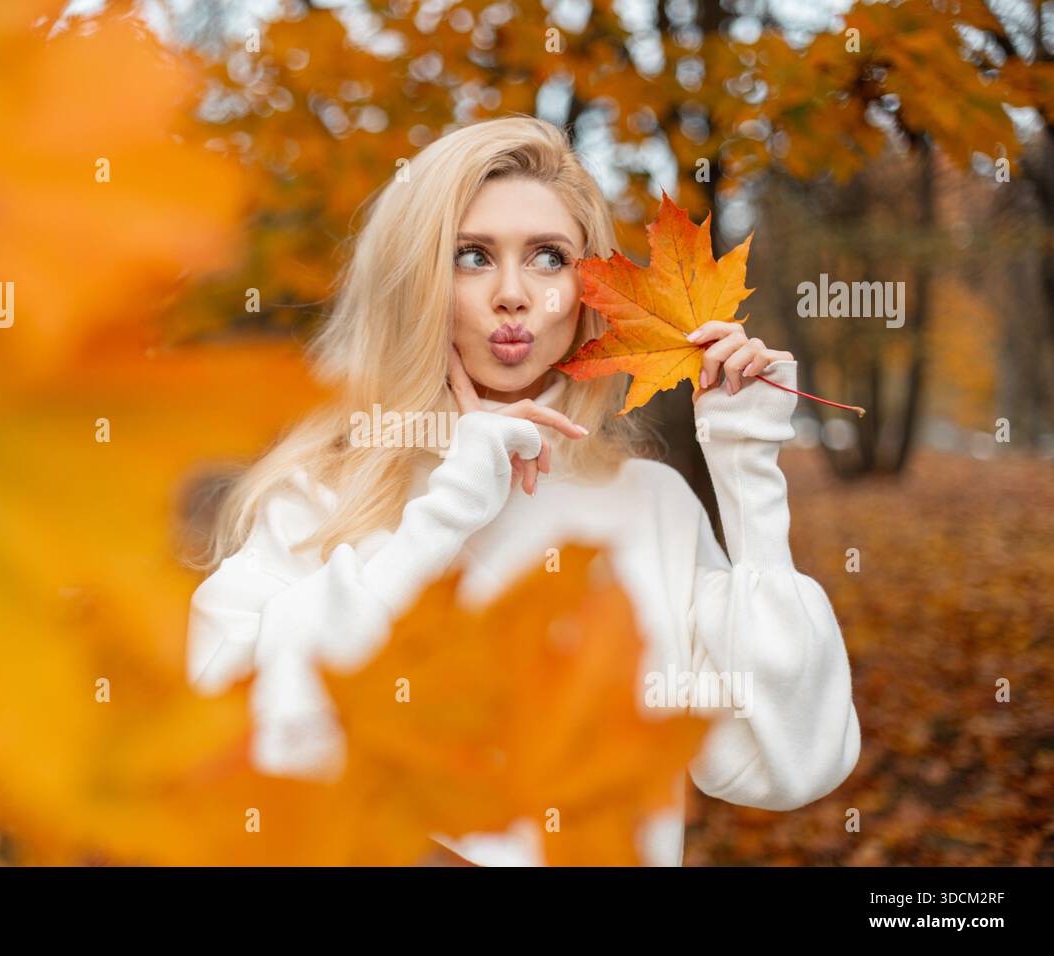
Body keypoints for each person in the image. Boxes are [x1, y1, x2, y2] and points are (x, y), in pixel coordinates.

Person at [185, 114, 860, 866]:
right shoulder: (325, 498)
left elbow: (787, 761)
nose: (513, 294)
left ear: (590, 290)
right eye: (471, 256)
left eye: (548, 258)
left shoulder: (653, 506)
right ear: (416, 282)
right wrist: (442, 516)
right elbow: (228, 733)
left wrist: (747, 475)